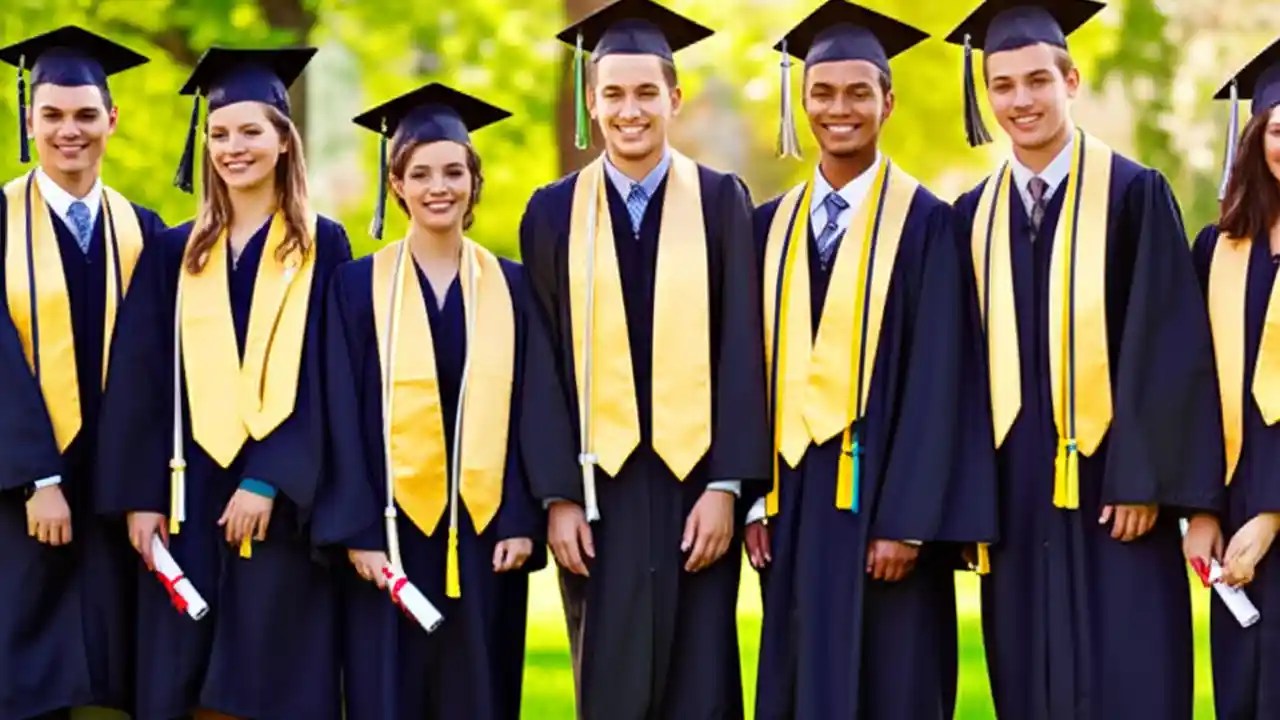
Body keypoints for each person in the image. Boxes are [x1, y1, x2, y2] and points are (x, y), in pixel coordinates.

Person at [944, 1, 1224, 719]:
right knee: (1028, 677)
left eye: (1037, 80)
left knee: (1131, 672)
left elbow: (1169, 347)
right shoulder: (971, 216)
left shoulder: (1134, 194)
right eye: (1003, 85)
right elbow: (958, 369)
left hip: (1117, 491)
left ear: (1070, 81)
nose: (1021, 100)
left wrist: (1144, 478)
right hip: (1015, 492)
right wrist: (970, 499)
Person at [518, 0, 770, 716]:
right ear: (592, 103)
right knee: (611, 679)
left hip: (698, 490)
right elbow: (540, 362)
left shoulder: (720, 201)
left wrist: (729, 486)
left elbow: (742, 347)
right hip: (597, 491)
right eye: (614, 94)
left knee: (701, 680)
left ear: (674, 98)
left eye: (646, 93)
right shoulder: (552, 211)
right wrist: (558, 496)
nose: (630, 111)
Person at [745, 2, 997, 718]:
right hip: (793, 506)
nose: (839, 109)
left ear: (888, 102)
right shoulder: (767, 228)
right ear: (802, 102)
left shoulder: (930, 224)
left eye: (858, 93)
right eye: (822, 93)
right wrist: (756, 499)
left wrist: (909, 521)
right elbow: (746, 376)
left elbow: (942, 381)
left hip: (886, 510)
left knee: (894, 683)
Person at [93, 46, 351, 720]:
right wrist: (140, 497)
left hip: (280, 501)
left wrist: (269, 477)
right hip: (187, 493)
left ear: (284, 141)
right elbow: (140, 382)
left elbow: (329, 373)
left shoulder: (323, 246)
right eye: (219, 133)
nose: (233, 148)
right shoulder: (173, 251)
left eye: (250, 131)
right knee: (185, 673)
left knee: (270, 675)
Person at [312, 81, 545, 720]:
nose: (438, 187)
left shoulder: (514, 287)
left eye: (453, 172)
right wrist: (357, 529)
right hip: (386, 532)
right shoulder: (354, 288)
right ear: (396, 185)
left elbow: (533, 411)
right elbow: (338, 413)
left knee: (479, 691)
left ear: (474, 181)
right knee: (386, 693)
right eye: (420, 174)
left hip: (486, 533)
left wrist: (520, 518)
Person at [0, 26, 166, 720]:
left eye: (85, 115)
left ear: (112, 120)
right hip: (19, 491)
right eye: (53, 115)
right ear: (29, 121)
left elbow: (161, 365)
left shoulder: (146, 229)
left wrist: (144, 484)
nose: (69, 131)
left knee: (113, 671)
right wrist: (37, 476)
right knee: (27, 674)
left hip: (115, 488)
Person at [1186, 37, 1280, 720]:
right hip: (1233, 497)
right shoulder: (1216, 250)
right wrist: (1202, 511)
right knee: (1244, 690)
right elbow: (1188, 389)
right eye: (1279, 129)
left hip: (1267, 508)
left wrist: (1273, 514)